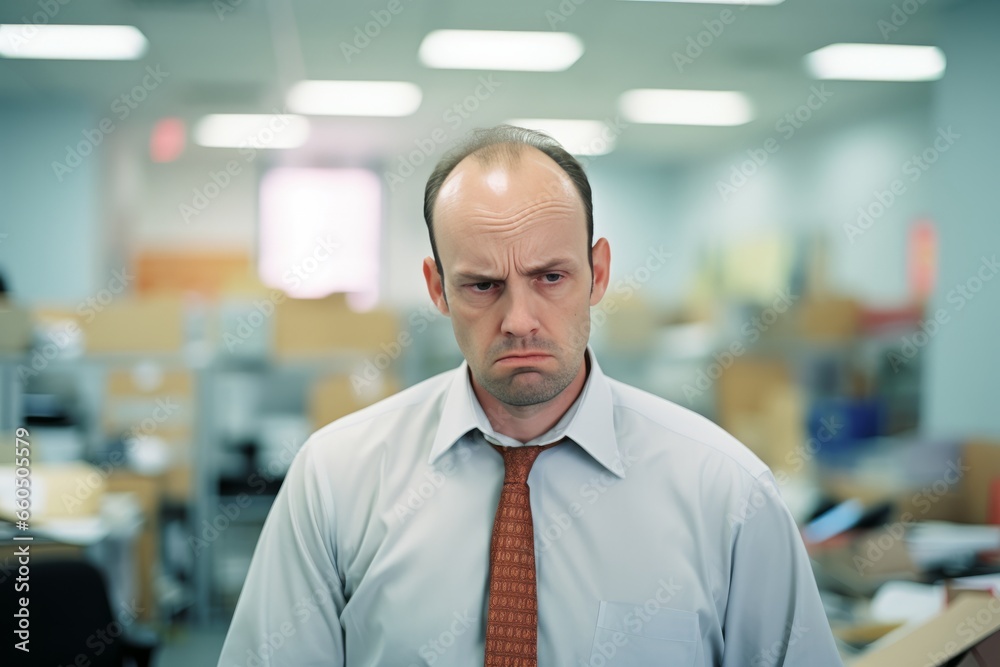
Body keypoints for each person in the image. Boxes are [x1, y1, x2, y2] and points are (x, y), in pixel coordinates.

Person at [218, 126, 843, 666]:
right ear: (436, 288)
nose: (520, 318)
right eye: (483, 285)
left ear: (597, 273)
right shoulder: (337, 479)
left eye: (550, 277)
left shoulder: (726, 493)